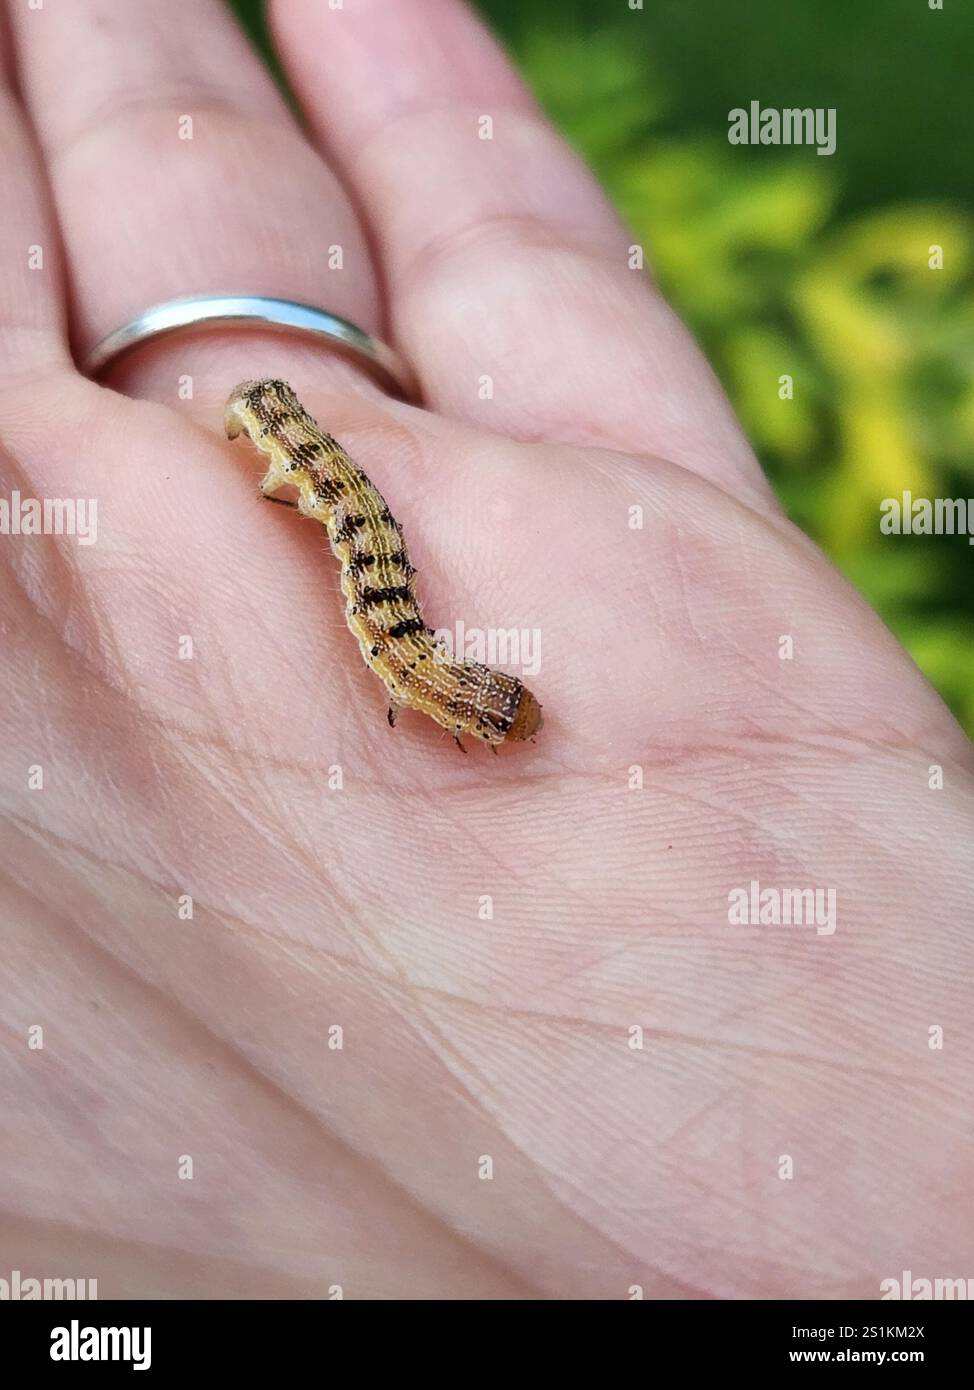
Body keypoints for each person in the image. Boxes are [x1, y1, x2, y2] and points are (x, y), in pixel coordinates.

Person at [1, 0, 970, 1299]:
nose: (478, 714)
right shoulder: (378, 616)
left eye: (479, 710)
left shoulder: (404, 651)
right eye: (481, 710)